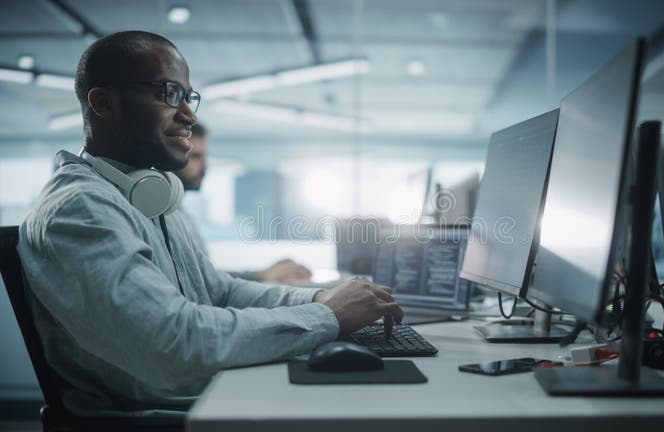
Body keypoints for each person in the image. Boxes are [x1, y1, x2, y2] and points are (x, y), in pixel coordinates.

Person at [17, 30, 402, 416]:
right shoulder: (79, 210)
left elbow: (220, 293)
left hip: (208, 396)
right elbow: (175, 344)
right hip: (166, 418)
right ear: (103, 103)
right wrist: (329, 317)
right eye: (169, 93)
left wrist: (320, 298)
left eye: (188, 97)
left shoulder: (147, 197)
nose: (189, 115)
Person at [173, 122, 312, 283]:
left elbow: (208, 280)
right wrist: (260, 276)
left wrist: (263, 274)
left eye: (205, 157)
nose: (205, 167)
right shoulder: (166, 218)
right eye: (195, 157)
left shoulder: (182, 215)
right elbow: (204, 284)